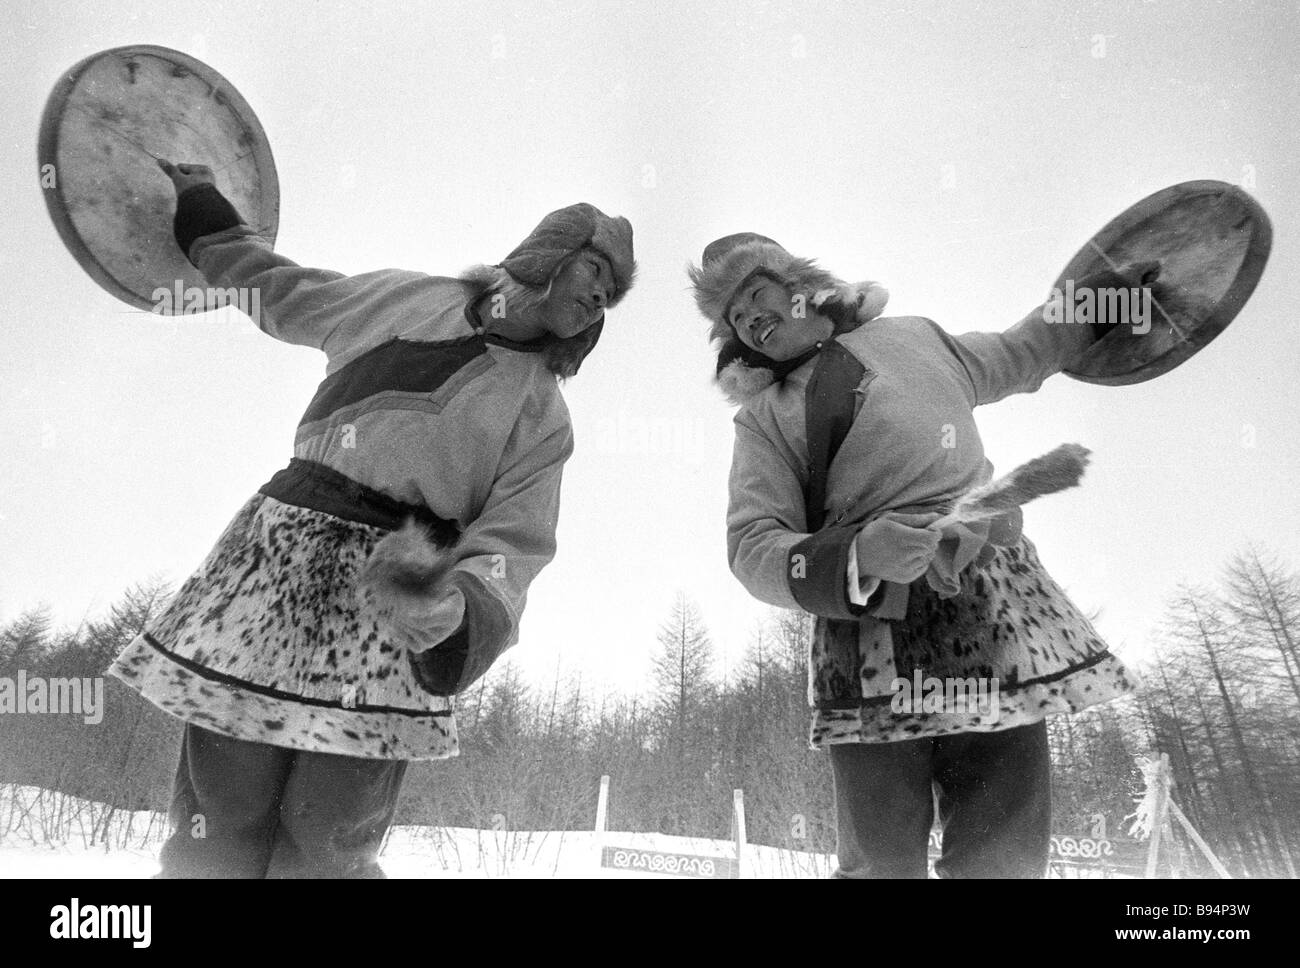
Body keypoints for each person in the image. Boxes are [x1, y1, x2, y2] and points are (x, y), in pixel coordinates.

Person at [109, 162, 635, 877]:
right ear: (549, 250)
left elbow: (516, 540)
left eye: (614, 289)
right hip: (277, 563)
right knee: (218, 818)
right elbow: (283, 291)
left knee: (326, 838)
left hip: (395, 602)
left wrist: (461, 612)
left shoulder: (542, 416)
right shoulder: (404, 298)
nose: (604, 292)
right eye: (597, 266)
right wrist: (203, 205)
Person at [690, 232, 1142, 878]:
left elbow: (1025, 350)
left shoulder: (918, 339)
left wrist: (1101, 305)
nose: (749, 319)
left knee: (1004, 857)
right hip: (869, 636)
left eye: (755, 294)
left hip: (992, 609)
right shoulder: (765, 418)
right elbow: (753, 548)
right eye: (733, 318)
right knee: (881, 865)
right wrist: (858, 554)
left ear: (798, 285)